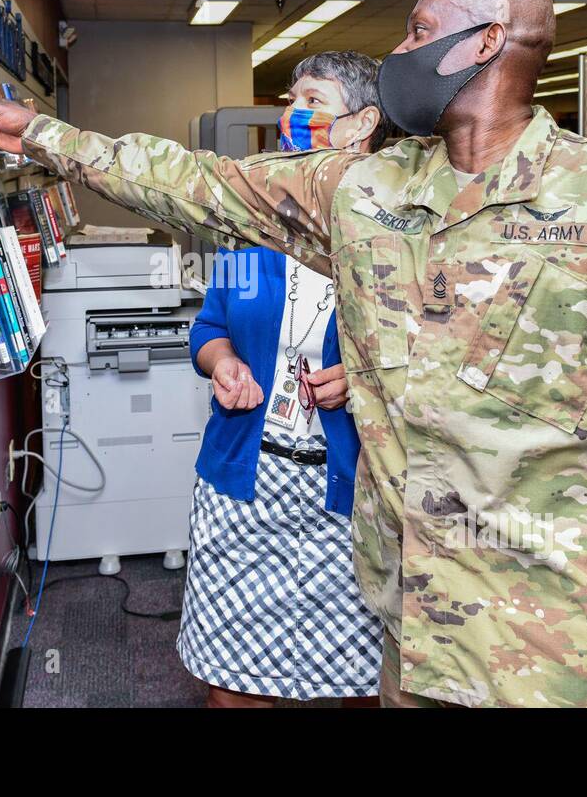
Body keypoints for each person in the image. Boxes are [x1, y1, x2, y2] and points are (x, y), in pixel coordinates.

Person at [0, 0, 587, 709]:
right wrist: (39, 136)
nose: (399, 49)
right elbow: (200, 185)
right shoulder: (365, 188)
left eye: (420, 32)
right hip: (409, 630)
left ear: (486, 44)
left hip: (558, 655)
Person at [180, 52, 385, 708]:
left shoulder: (400, 231)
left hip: (347, 495)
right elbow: (210, 324)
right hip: (245, 482)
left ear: (363, 124)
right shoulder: (256, 226)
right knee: (230, 683)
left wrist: (364, 378)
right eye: (291, 99)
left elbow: (441, 356)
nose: (294, 114)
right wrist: (223, 362)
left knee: (356, 681)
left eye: (314, 101)